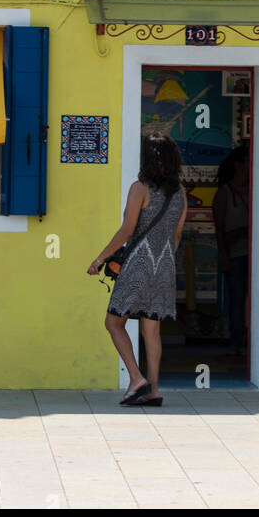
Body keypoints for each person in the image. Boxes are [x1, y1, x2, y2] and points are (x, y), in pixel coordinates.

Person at [87, 132, 187, 406]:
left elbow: (127, 231)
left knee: (113, 322)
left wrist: (99, 259)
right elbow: (177, 235)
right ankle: (153, 390)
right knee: (151, 330)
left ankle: (136, 378)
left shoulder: (139, 188)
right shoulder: (180, 192)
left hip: (138, 263)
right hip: (165, 264)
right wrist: (164, 260)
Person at [212, 144, 250, 358]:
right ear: (239, 165)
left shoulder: (255, 191)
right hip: (235, 255)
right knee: (237, 300)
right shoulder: (224, 193)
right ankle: (236, 341)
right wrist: (224, 257)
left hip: (251, 256)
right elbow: (218, 228)